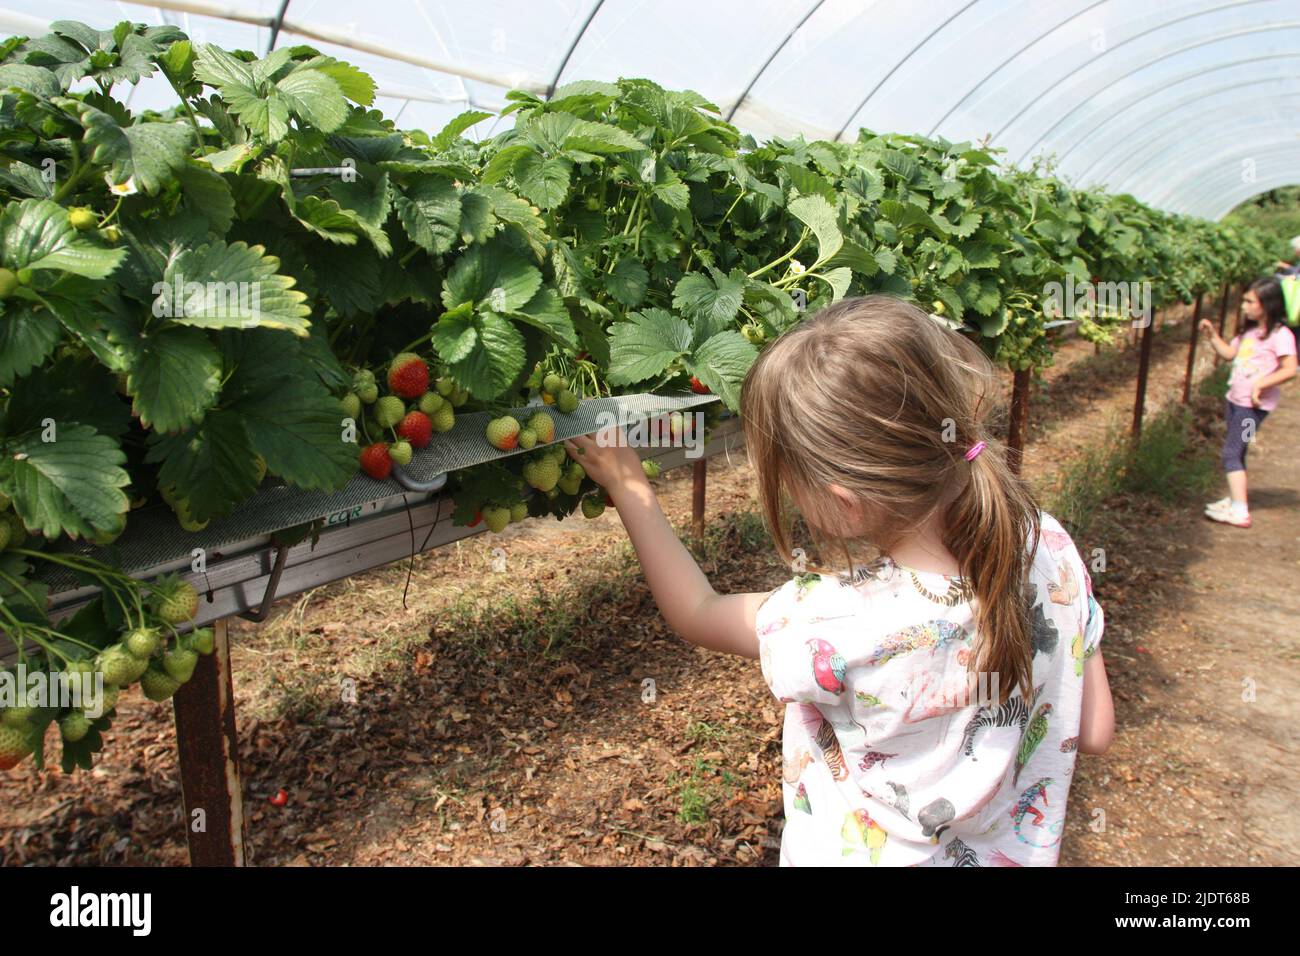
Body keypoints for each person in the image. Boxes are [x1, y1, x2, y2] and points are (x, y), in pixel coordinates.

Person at [565, 295, 1114, 866]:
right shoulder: (1045, 545)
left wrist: (631, 489)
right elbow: (1093, 729)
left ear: (842, 504)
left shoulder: (833, 619)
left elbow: (697, 611)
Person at [1200, 277, 1298, 528]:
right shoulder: (1250, 333)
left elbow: (1290, 369)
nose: (1243, 306)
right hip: (1235, 400)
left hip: (1253, 407)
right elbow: (1229, 355)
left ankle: (1240, 511)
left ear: (1267, 304)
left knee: (1231, 452)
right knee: (1237, 450)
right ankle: (1235, 498)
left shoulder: (1281, 335)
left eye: (1249, 301)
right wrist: (1212, 337)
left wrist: (1260, 384)